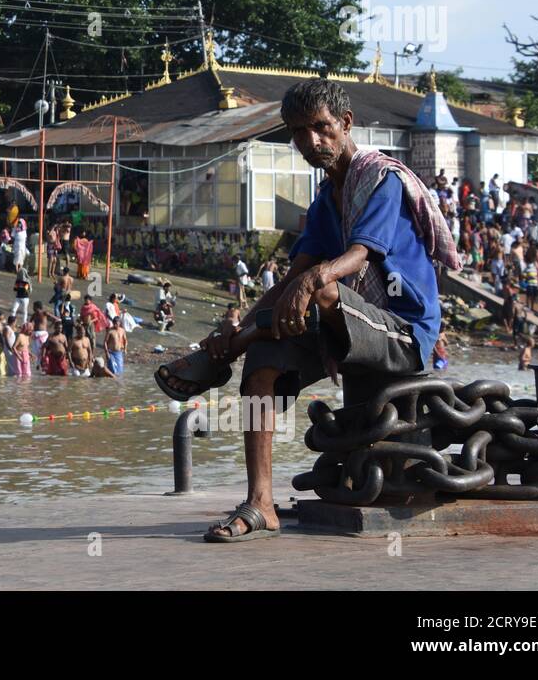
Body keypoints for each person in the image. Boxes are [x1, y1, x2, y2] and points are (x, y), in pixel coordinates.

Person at [161, 79, 458, 543]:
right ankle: (260, 502)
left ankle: (217, 357)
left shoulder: (382, 181)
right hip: (348, 322)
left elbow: (358, 257)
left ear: (345, 124)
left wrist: (313, 280)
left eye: (320, 128)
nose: (310, 142)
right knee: (263, 365)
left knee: (318, 285)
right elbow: (288, 278)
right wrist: (241, 320)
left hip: (403, 331)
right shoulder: (326, 201)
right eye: (298, 133)